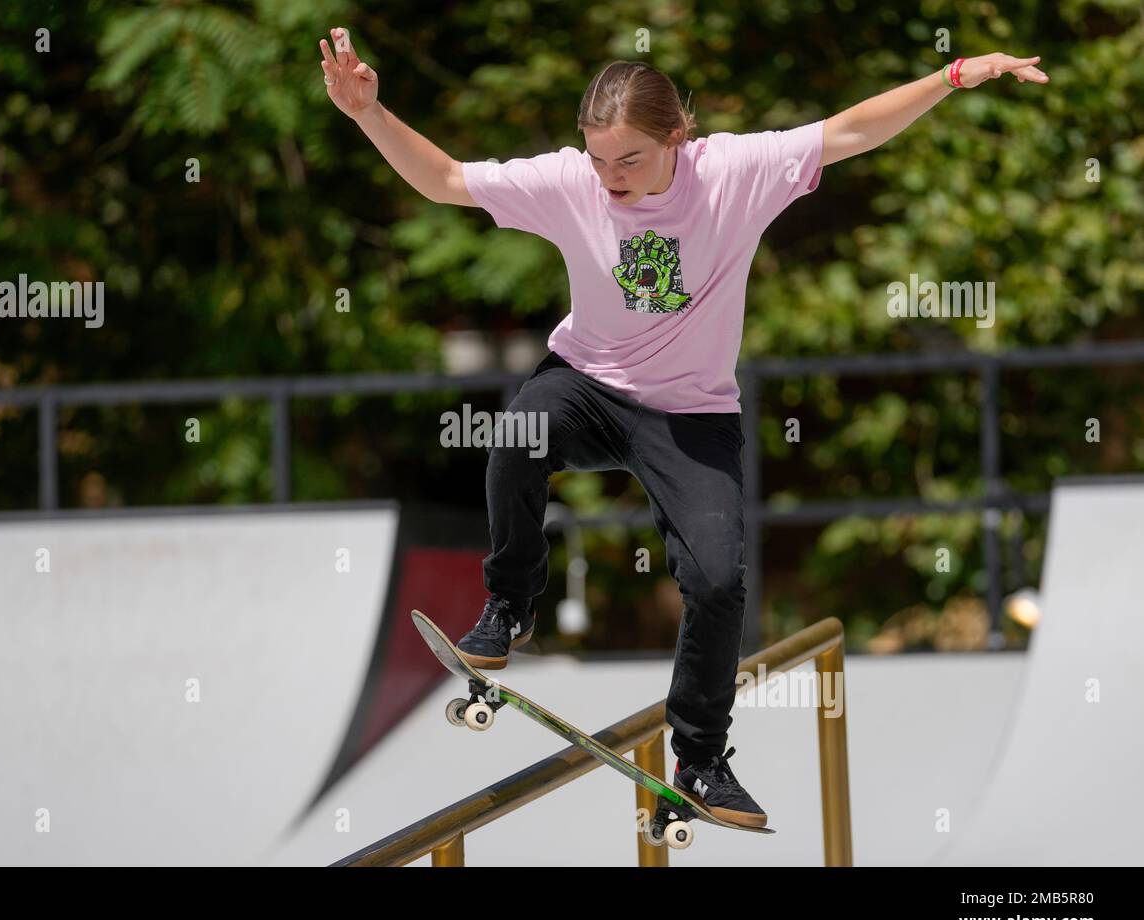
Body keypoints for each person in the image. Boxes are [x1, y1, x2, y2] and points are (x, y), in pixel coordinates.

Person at [320, 27, 1046, 828]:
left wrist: (951, 75)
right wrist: (368, 114)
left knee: (718, 581)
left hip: (692, 415)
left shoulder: (736, 171)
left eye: (630, 161)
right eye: (598, 161)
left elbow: (852, 129)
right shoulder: (569, 183)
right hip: (588, 385)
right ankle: (512, 605)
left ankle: (699, 758)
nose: (611, 180)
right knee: (518, 432)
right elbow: (448, 180)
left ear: (680, 137)